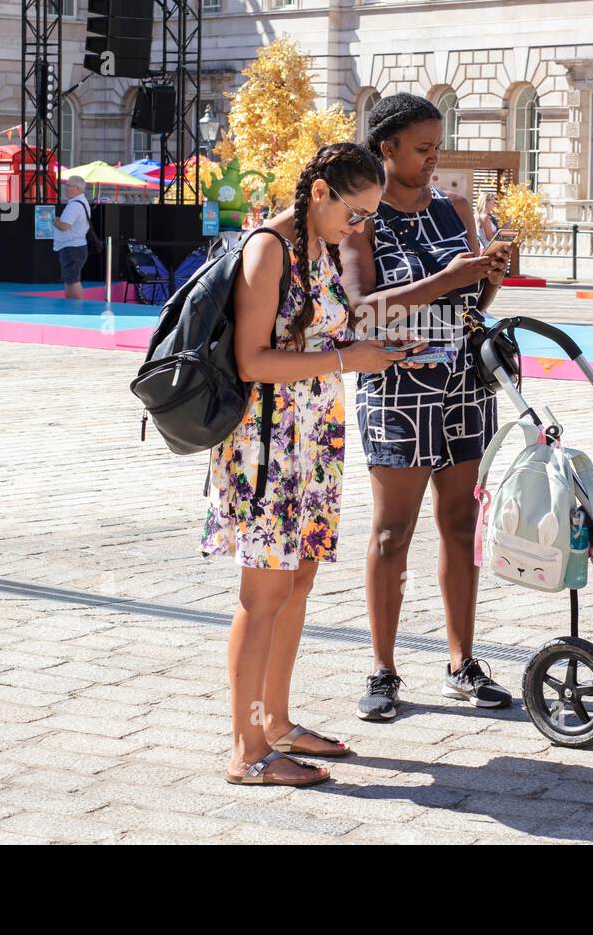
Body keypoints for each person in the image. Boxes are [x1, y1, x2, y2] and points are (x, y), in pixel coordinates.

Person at [205, 142, 409, 787]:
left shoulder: (319, 249)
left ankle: (278, 723)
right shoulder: (270, 249)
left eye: (367, 217)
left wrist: (370, 347)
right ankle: (246, 751)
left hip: (314, 440)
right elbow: (252, 362)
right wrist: (348, 362)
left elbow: (317, 336)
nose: (359, 228)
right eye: (354, 213)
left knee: (297, 586)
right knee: (262, 596)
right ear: (321, 191)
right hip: (267, 445)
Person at [339, 93, 512, 721]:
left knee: (462, 529)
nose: (435, 157)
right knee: (391, 533)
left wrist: (492, 270)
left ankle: (461, 663)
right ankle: (383, 671)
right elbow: (364, 310)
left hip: (466, 384)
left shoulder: (454, 208)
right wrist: (448, 277)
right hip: (397, 389)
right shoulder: (359, 218)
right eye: (423, 147)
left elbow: (474, 306)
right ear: (387, 147)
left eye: (439, 145)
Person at [52, 176, 91, 300]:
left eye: (68, 186)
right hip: (75, 246)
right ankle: (72, 304)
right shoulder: (81, 203)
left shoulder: (74, 205)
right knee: (71, 279)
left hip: (71, 247)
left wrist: (55, 221)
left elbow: (64, 226)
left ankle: (75, 306)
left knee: (73, 280)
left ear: (77, 188)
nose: (65, 188)